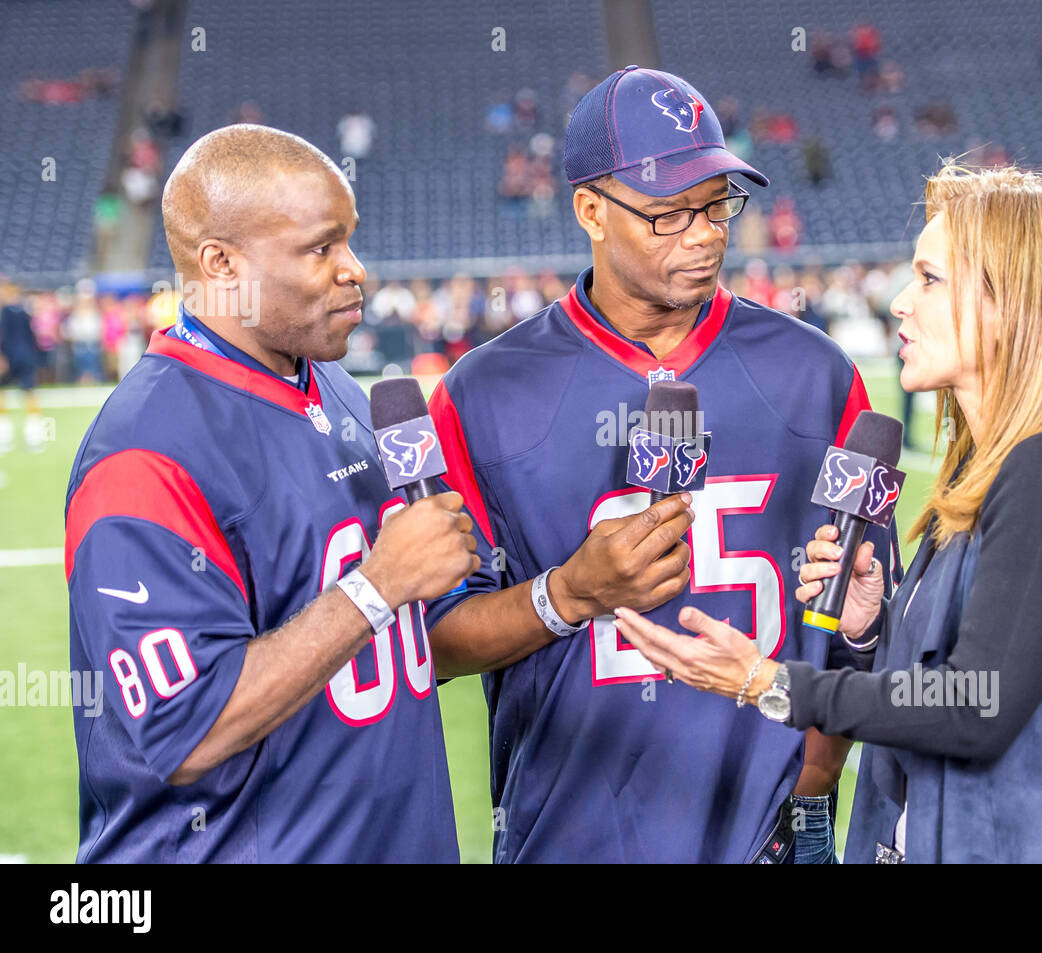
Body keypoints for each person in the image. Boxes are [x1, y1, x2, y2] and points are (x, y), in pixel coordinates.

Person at [615, 164, 1042, 863]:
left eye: (930, 279)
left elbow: (978, 708)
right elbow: (978, 673)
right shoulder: (993, 464)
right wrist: (878, 625)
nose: (901, 302)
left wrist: (767, 681)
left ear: (1017, 304)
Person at [422, 66, 901, 864]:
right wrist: (565, 593)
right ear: (589, 210)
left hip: (772, 834)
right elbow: (433, 641)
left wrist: (816, 779)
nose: (706, 232)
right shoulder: (483, 395)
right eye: (670, 213)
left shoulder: (815, 375)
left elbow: (865, 623)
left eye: (717, 202)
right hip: (568, 833)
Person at [65, 125, 478, 862]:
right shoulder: (146, 451)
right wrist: (379, 585)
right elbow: (187, 731)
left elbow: (425, 639)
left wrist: (566, 595)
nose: (355, 269)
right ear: (221, 263)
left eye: (349, 241)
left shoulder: (343, 392)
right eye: (322, 249)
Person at [0, 282, 45, 453]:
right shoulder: (25, 311)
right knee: (30, 392)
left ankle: (4, 435)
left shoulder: (4, 312)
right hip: (26, 356)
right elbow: (31, 336)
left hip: (8, 356)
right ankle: (34, 436)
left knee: (2, 394)